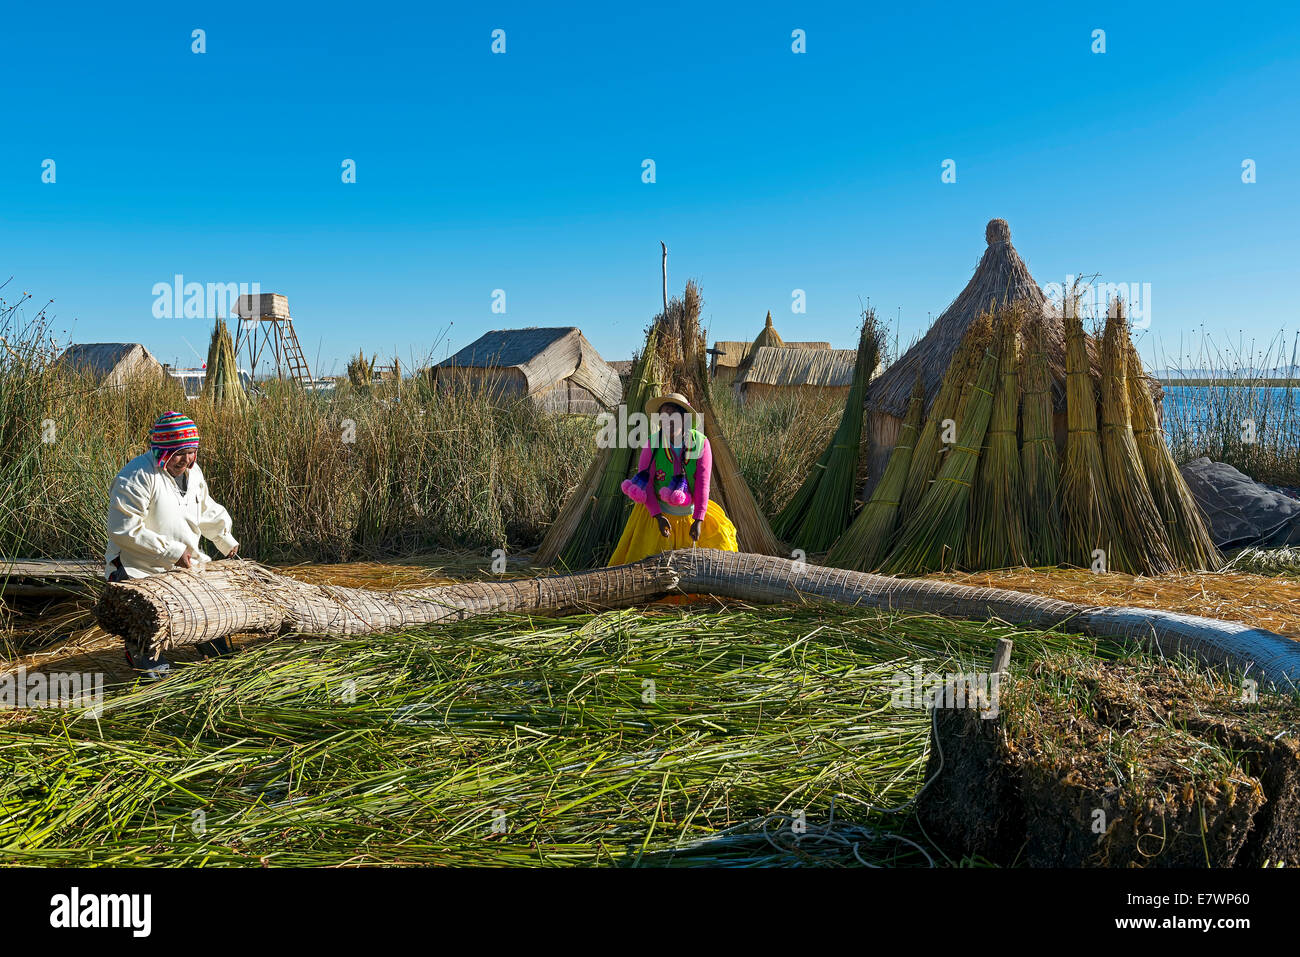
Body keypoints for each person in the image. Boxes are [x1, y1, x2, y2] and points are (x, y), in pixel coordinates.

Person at [105, 411, 240, 676]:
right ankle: (142, 652)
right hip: (139, 568)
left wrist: (225, 539)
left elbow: (205, 509)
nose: (187, 459)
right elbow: (123, 529)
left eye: (192, 451)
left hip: (184, 564)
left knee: (209, 613)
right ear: (163, 450)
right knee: (149, 624)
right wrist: (172, 552)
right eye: (179, 452)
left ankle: (211, 646)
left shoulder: (193, 472)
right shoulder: (136, 476)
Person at [608, 392, 739, 566]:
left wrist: (699, 519)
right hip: (657, 515)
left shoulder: (700, 443)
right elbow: (645, 485)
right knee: (647, 564)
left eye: (672, 415)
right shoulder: (653, 443)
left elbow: (702, 483)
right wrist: (658, 516)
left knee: (713, 549)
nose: (667, 420)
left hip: (690, 514)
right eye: (663, 416)